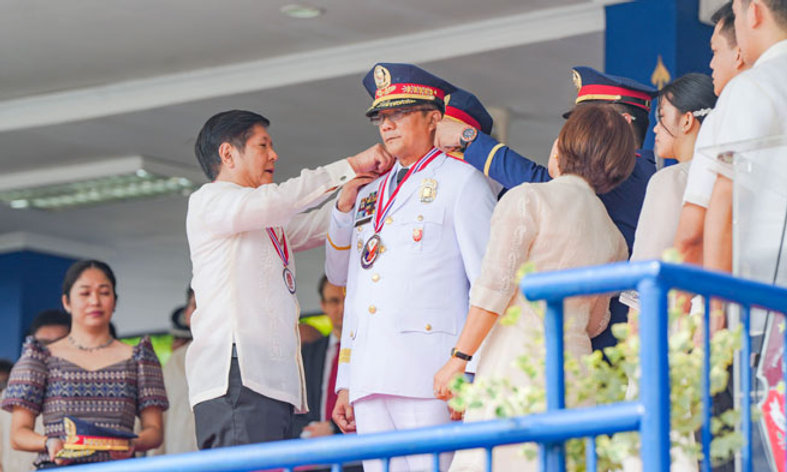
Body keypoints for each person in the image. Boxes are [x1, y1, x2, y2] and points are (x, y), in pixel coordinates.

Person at [433, 104, 634, 472]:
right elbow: (595, 323)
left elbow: (493, 288)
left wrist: (458, 359)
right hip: (575, 374)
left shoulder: (529, 198)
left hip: (516, 363)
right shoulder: (613, 236)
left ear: (561, 146)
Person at [186, 110, 393, 449]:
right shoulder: (209, 202)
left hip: (269, 386)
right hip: (235, 380)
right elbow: (281, 201)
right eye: (262, 145)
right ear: (227, 154)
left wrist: (360, 192)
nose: (273, 155)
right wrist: (351, 166)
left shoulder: (262, 220)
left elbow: (316, 225)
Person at [326, 63, 496, 472]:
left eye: (399, 113)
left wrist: (469, 369)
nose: (387, 125)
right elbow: (347, 280)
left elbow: (489, 283)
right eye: (382, 117)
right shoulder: (370, 192)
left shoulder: (464, 180)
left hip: (432, 374)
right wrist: (347, 379)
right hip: (370, 375)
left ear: (434, 118)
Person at [434, 66, 658, 353]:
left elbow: (553, 190)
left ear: (623, 122)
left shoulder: (635, 174)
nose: (572, 135)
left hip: (607, 343)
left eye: (585, 124)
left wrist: (470, 139)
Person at [1, 260, 168, 468]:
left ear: (115, 301)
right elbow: (18, 435)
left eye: (104, 292)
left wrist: (133, 443)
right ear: (66, 302)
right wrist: (49, 443)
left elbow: (155, 430)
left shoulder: (139, 358)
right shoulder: (40, 357)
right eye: (85, 293)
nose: (95, 301)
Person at [701, 0, 787, 277]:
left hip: (769, 286)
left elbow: (726, 201)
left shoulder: (754, 85)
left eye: (736, 13)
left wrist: (715, 307)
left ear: (754, 12)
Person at [674, 1, 750, 266]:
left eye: (716, 51)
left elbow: (691, 235)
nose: (711, 63)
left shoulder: (729, 110)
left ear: (739, 53)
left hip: (742, 293)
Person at [630, 74, 717, 262]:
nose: (655, 129)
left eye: (662, 117)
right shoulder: (729, 176)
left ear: (686, 121)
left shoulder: (670, 179)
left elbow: (648, 260)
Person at [1, 310, 71, 472]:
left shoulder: (84, 396)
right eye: (43, 344)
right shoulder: (6, 399)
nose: (50, 352)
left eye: (59, 343)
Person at [293, 276, 344, 439]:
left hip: (361, 453)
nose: (342, 308)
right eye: (334, 301)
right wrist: (310, 431)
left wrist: (333, 429)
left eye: (347, 299)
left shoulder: (370, 350)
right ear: (323, 305)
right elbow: (297, 407)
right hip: (317, 453)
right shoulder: (309, 354)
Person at [149, 287, 198, 456]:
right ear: (187, 314)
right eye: (194, 305)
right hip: (179, 461)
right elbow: (161, 419)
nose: (198, 311)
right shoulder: (174, 363)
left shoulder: (236, 357)